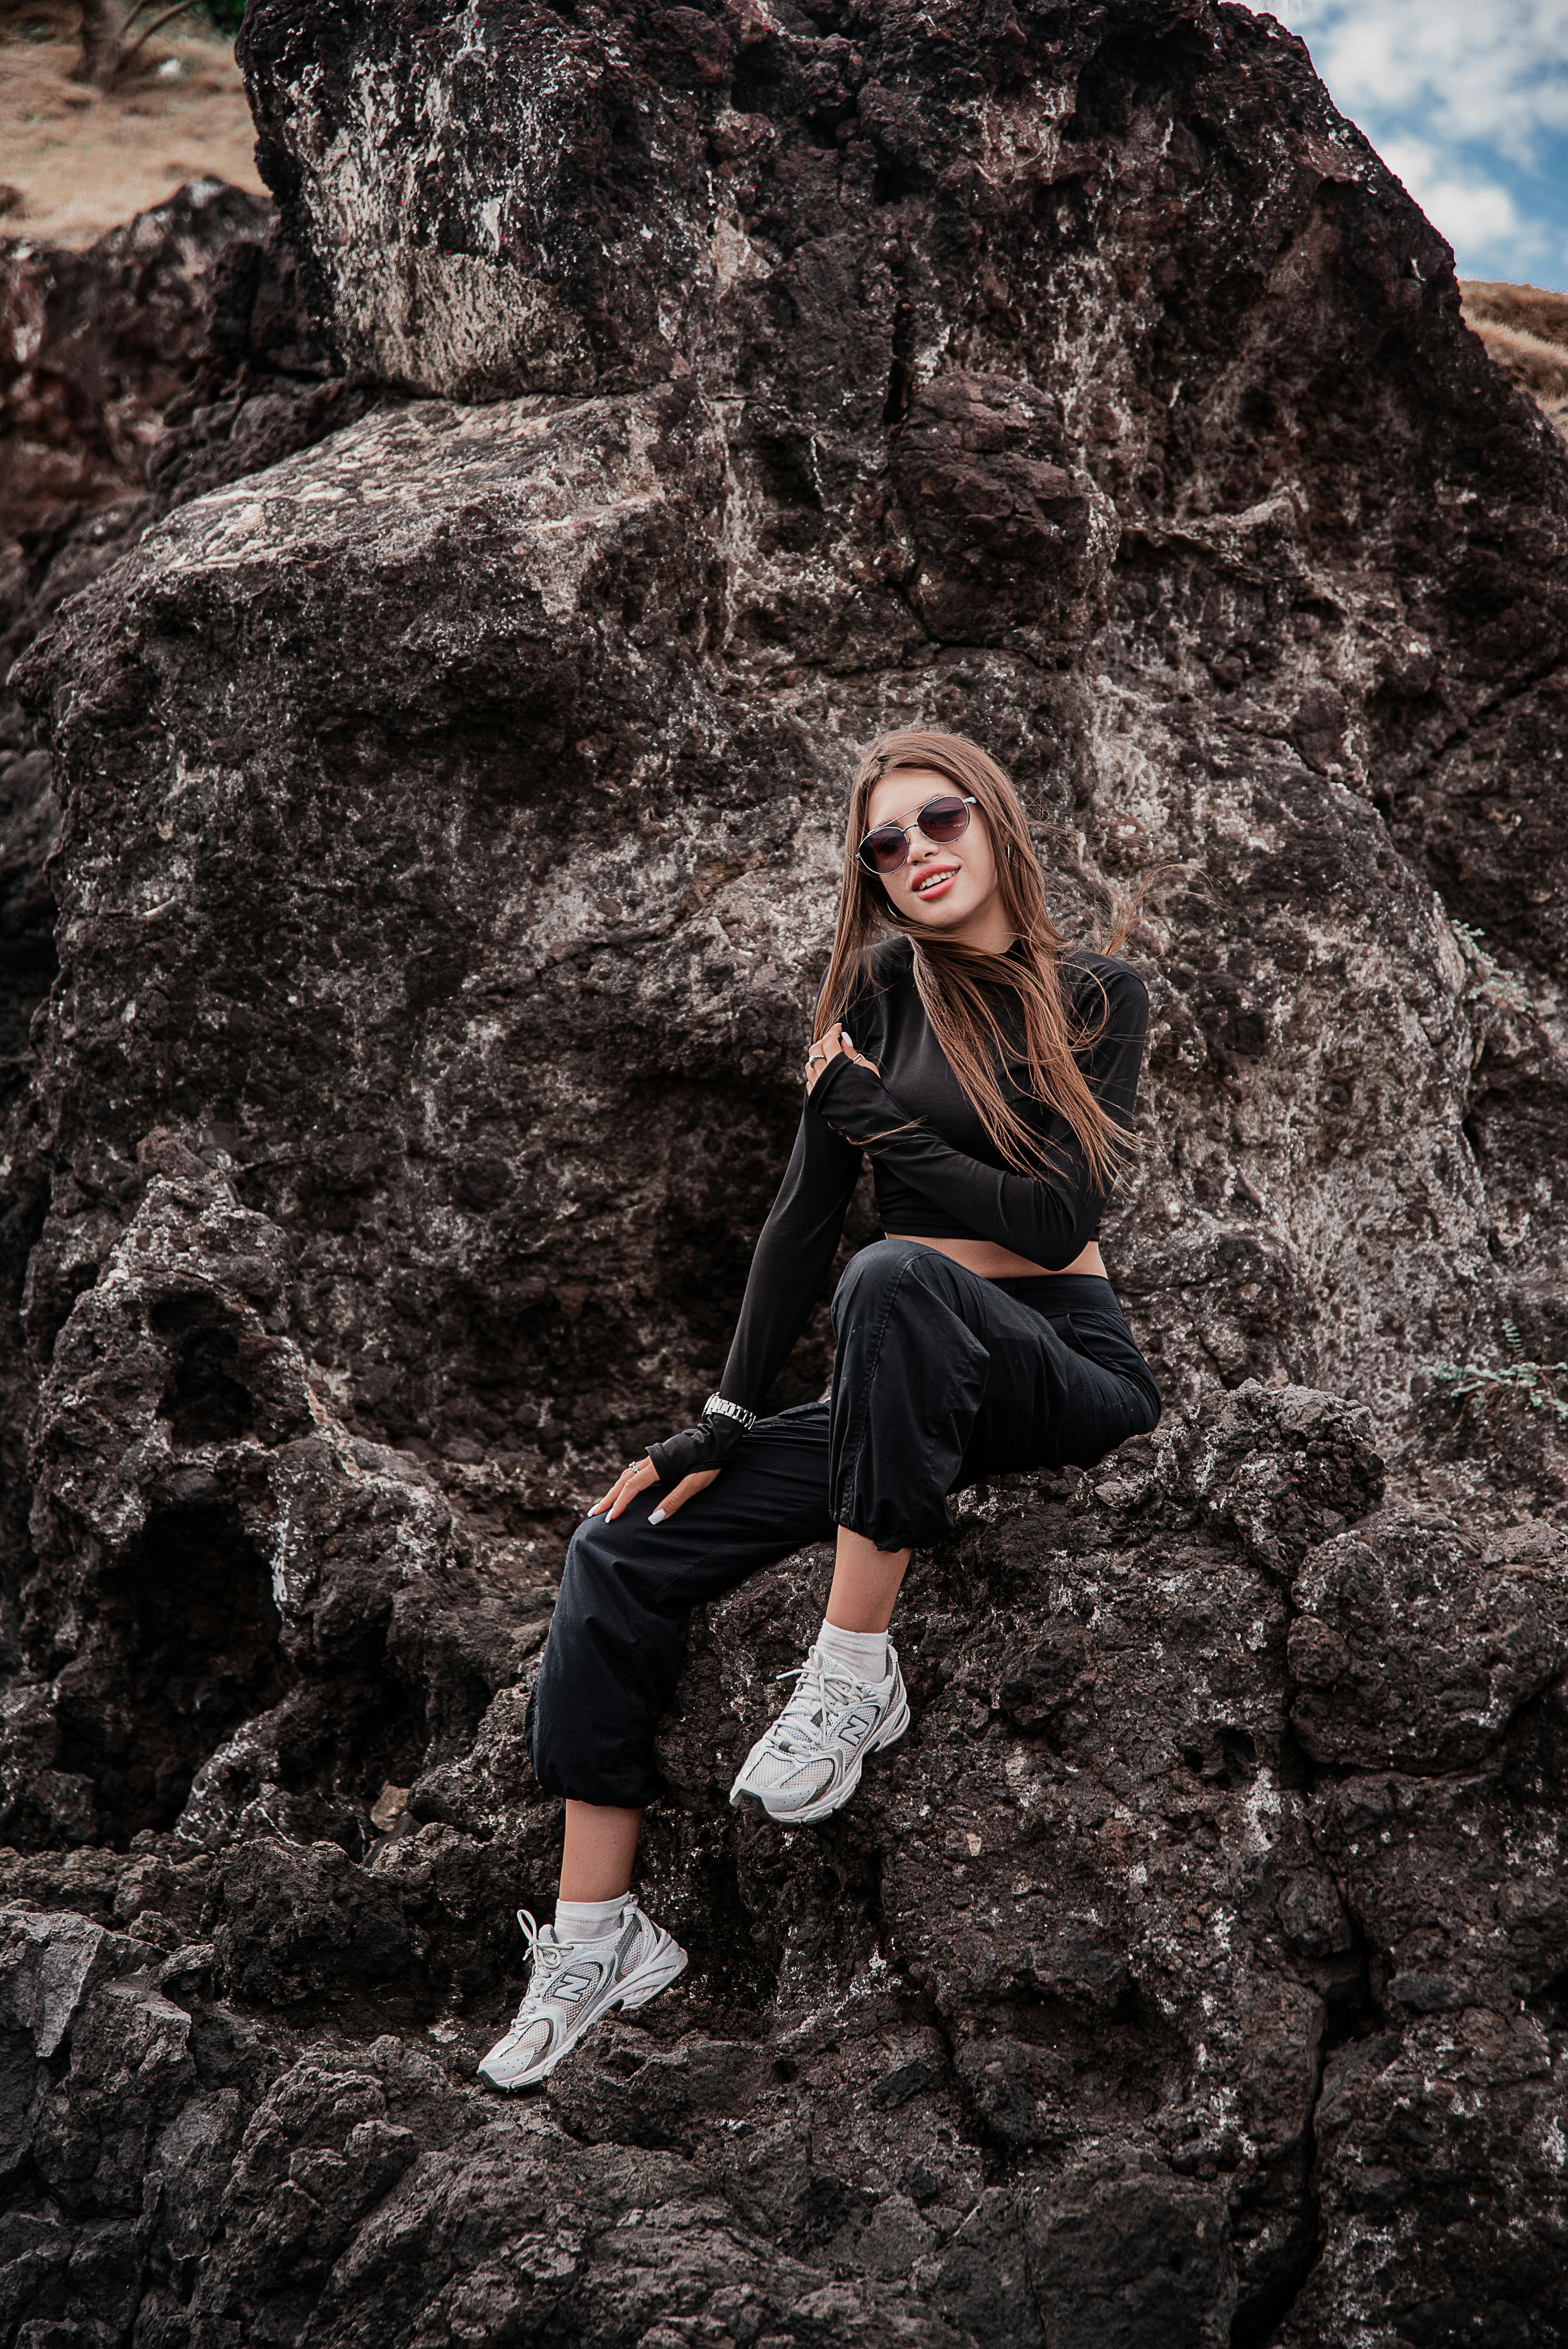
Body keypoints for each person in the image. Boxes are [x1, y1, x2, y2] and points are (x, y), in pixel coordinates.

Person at [478, 728, 1161, 2091]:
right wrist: (725, 1417)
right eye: (885, 844)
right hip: (898, 1385)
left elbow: (1059, 1213)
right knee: (622, 1549)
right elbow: (799, 1225)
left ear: (997, 824)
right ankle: (597, 1936)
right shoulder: (873, 995)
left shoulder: (1096, 992)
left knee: (895, 1272)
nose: (918, 853)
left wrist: (877, 1124)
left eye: (941, 820)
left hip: (1058, 1366)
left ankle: (853, 1677)